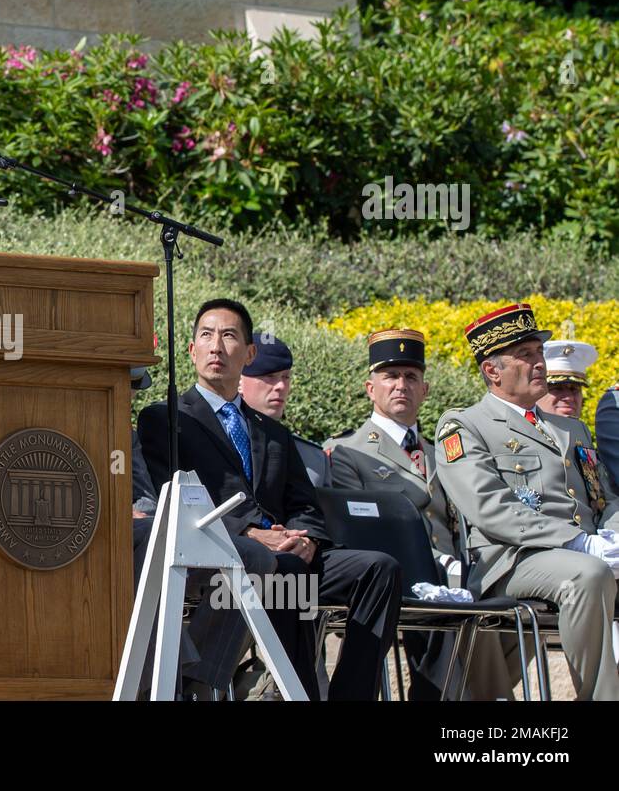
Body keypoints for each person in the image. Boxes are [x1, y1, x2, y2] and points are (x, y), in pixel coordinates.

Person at [138, 298, 401, 700]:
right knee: (287, 570)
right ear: (191, 351)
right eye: (205, 336)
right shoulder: (169, 418)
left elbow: (304, 504)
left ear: (249, 353)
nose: (216, 347)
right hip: (220, 553)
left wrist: (308, 537)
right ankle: (296, 693)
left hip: (286, 551)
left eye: (229, 336)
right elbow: (171, 499)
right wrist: (248, 532)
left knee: (378, 569)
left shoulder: (271, 431)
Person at [435, 303, 619, 700]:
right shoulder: (465, 426)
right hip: (509, 560)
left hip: (580, 553)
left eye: (539, 353)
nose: (540, 364)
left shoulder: (570, 427)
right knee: (586, 575)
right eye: (526, 355)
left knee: (590, 568)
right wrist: (577, 541)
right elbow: (489, 507)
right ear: (492, 370)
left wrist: (613, 536)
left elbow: (604, 498)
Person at [324, 328, 513, 700]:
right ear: (370, 388)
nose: (401, 385)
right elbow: (357, 531)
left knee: (504, 611)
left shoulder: (446, 451)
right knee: (462, 618)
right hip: (401, 576)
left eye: (411, 377)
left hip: (461, 573)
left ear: (425, 390)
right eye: (390, 376)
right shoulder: (347, 451)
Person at [239, 333, 331, 486]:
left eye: (286, 377)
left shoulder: (313, 458)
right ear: (239, 381)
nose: (281, 386)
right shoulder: (216, 443)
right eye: (269, 376)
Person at [537, 339, 597, 418]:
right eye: (557, 388)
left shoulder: (583, 430)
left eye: (574, 389)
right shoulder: (522, 429)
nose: (569, 398)